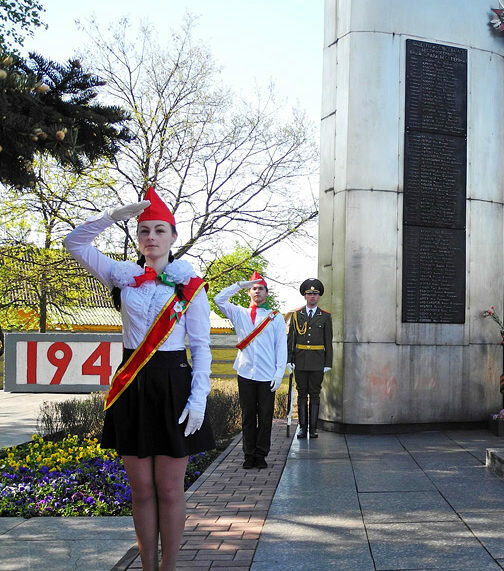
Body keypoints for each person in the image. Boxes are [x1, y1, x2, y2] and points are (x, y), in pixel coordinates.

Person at [64, 186, 214, 570]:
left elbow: (201, 348)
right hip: (132, 385)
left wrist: (199, 398)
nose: (151, 237)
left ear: (173, 237)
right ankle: (147, 566)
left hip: (173, 386)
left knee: (169, 488)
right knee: (142, 490)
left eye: (159, 230)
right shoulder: (122, 276)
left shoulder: (190, 286)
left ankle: (169, 567)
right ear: (137, 236)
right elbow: (74, 243)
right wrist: (110, 217)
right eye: (144, 230)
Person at [214, 271, 287, 469]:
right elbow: (218, 299)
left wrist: (279, 373)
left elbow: (281, 347)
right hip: (245, 372)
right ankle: (248, 455)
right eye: (253, 288)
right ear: (249, 292)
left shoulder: (275, 317)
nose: (257, 291)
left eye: (261, 288)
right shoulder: (239, 313)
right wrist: (239, 285)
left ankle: (261, 454)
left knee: (265, 417)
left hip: (266, 374)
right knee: (247, 417)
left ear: (267, 293)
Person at [287, 278, 332, 438]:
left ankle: (313, 429)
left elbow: (328, 341)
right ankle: (302, 428)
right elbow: (291, 340)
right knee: (301, 394)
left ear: (319, 296)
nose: (313, 296)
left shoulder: (325, 316)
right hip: (300, 361)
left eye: (315, 294)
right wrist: (289, 360)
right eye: (310, 294)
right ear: (305, 296)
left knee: (314, 394)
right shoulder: (296, 315)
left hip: (317, 362)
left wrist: (328, 362)